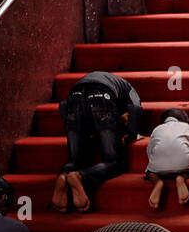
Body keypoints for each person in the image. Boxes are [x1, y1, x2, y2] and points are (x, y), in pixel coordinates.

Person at [51, 71, 143, 213]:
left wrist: (79, 130)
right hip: (102, 99)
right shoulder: (129, 88)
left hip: (73, 99)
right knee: (113, 162)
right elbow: (135, 108)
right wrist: (131, 134)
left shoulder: (111, 82)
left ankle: (63, 176)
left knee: (74, 160)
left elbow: (63, 106)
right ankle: (80, 177)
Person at [145, 108, 189, 210]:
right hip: (182, 165)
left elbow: (150, 151)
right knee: (188, 160)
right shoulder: (186, 127)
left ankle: (157, 182)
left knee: (151, 172)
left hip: (157, 166)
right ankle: (181, 178)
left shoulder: (157, 129)